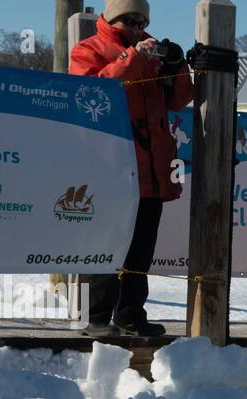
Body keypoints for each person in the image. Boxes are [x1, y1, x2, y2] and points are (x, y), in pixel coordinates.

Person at [71, 0, 193, 338]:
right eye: (129, 21)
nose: (137, 28)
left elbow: (179, 100)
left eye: (142, 22)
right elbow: (95, 92)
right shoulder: (88, 49)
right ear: (112, 19)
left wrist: (178, 65)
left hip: (150, 171)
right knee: (103, 246)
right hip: (108, 170)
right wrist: (134, 58)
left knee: (141, 252)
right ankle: (92, 317)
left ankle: (130, 316)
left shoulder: (152, 53)